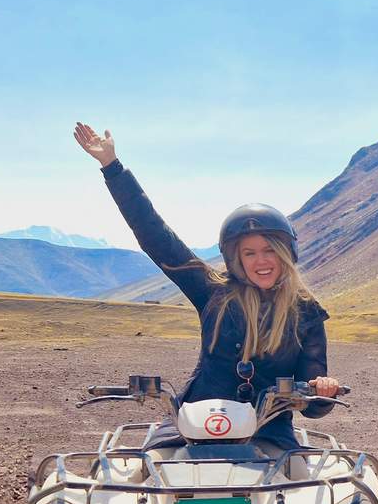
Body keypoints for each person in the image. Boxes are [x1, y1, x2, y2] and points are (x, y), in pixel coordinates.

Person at [73, 122, 341, 451]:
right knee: (144, 474)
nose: (261, 261)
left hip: (267, 432)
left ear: (285, 252)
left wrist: (322, 389)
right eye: (249, 253)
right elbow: (156, 236)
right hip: (193, 425)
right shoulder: (214, 293)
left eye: (269, 250)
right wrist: (112, 168)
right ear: (236, 258)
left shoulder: (306, 313)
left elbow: (313, 404)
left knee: (301, 481)